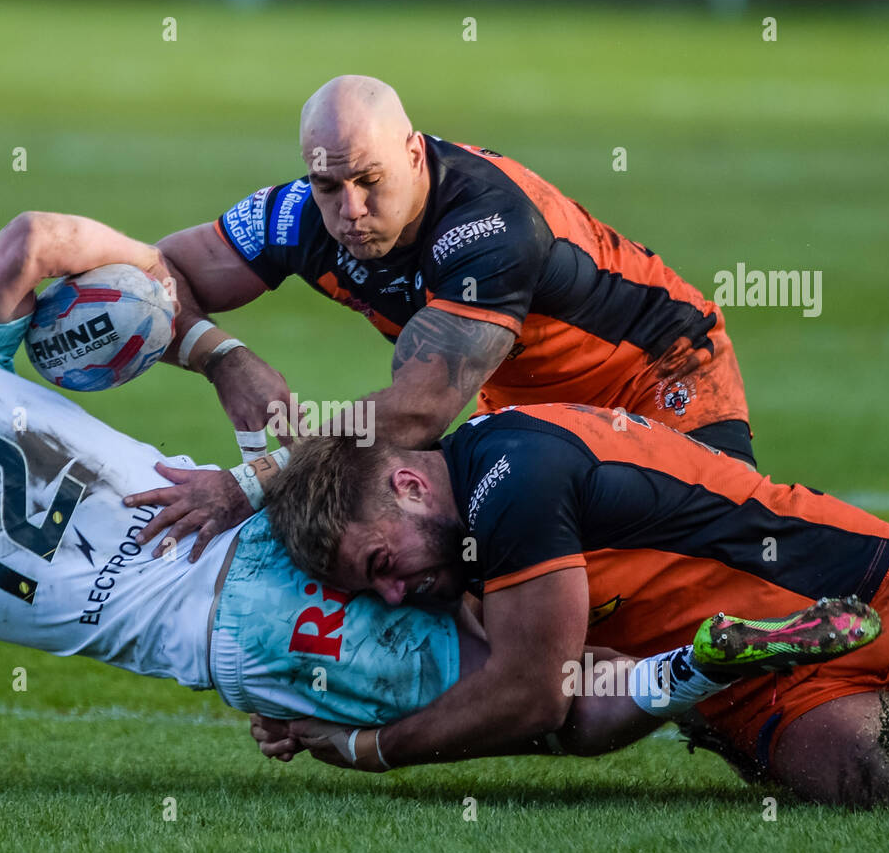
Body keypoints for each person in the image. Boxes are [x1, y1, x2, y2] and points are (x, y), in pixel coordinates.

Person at [0, 211, 807, 789]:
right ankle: (723, 619)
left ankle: (704, 674)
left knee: (533, 703)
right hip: (273, 516)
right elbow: (29, 240)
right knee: (494, 567)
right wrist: (203, 339)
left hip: (249, 635)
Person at [126, 74, 754, 559]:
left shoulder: (490, 224)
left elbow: (418, 411)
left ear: (414, 153)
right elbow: (153, 278)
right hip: (524, 410)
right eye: (329, 186)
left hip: (659, 373)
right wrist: (222, 357)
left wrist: (250, 483)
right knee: (447, 572)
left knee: (716, 568)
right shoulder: (299, 214)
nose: (350, 210)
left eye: (371, 181)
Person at [262, 405, 889, 807]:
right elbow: (537, 698)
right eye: (372, 590)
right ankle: (716, 662)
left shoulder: (512, 481)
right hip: (753, 691)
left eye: (383, 567)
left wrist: (368, 748)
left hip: (879, 591)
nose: (393, 594)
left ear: (412, 485)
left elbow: (533, 698)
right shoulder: (468, 538)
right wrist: (311, 702)